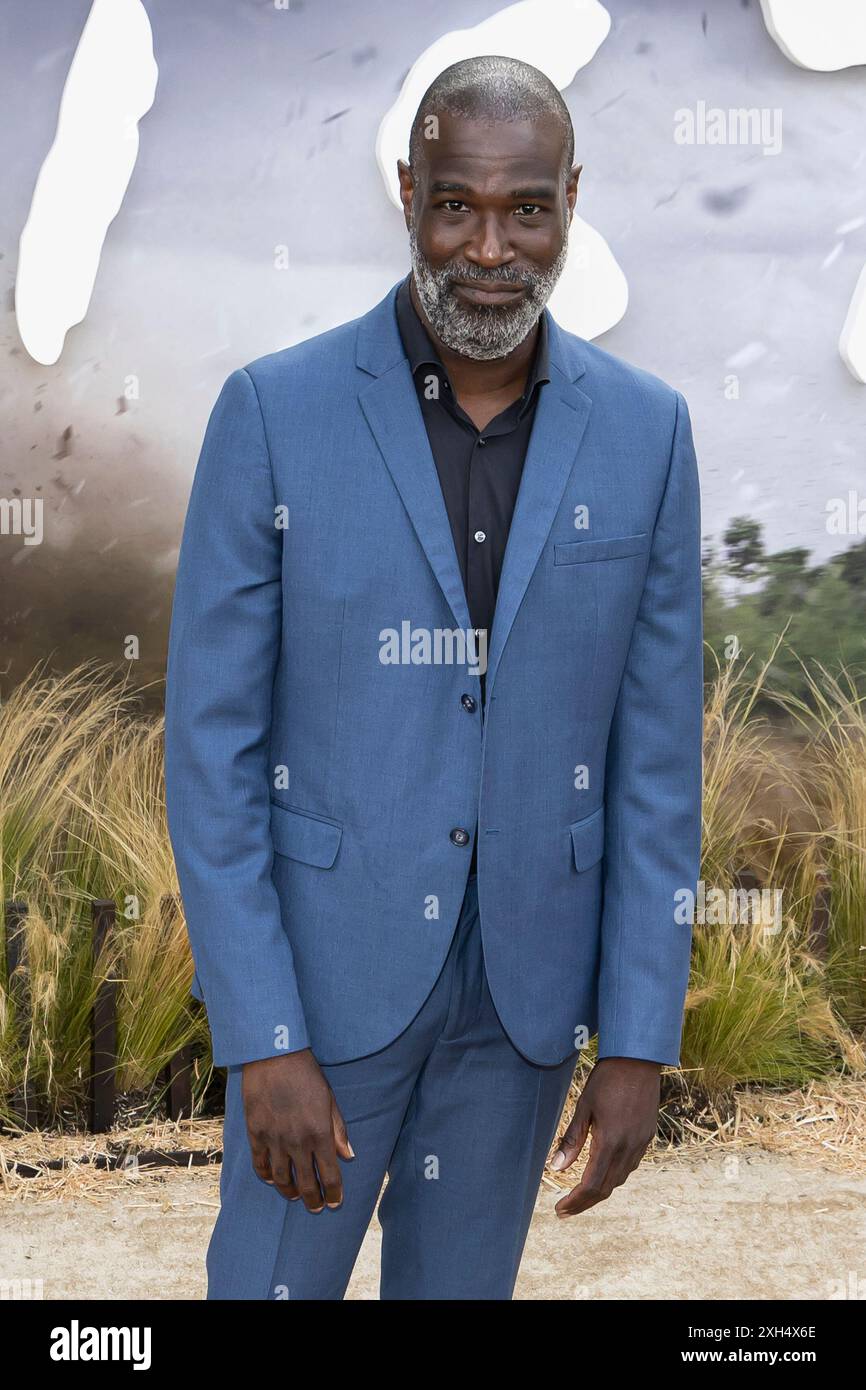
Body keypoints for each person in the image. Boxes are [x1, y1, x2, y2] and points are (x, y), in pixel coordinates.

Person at [164, 54, 703, 1301]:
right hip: (320, 995)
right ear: (407, 195)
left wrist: (636, 1037)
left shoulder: (647, 432)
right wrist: (263, 1035)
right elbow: (210, 754)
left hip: (520, 1007)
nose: (490, 249)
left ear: (571, 203)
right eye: (456, 204)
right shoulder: (272, 413)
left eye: (527, 209)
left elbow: (655, 764)